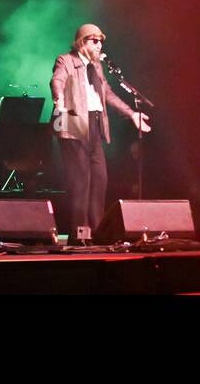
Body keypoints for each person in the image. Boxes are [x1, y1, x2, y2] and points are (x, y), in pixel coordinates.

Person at [50, 23, 150, 244]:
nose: (99, 45)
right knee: (81, 181)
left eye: (101, 41)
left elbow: (108, 93)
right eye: (94, 40)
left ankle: (98, 232)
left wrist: (132, 114)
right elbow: (57, 80)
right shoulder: (65, 60)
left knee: (99, 179)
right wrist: (59, 100)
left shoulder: (97, 67)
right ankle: (80, 235)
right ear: (81, 42)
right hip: (72, 120)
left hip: (94, 123)